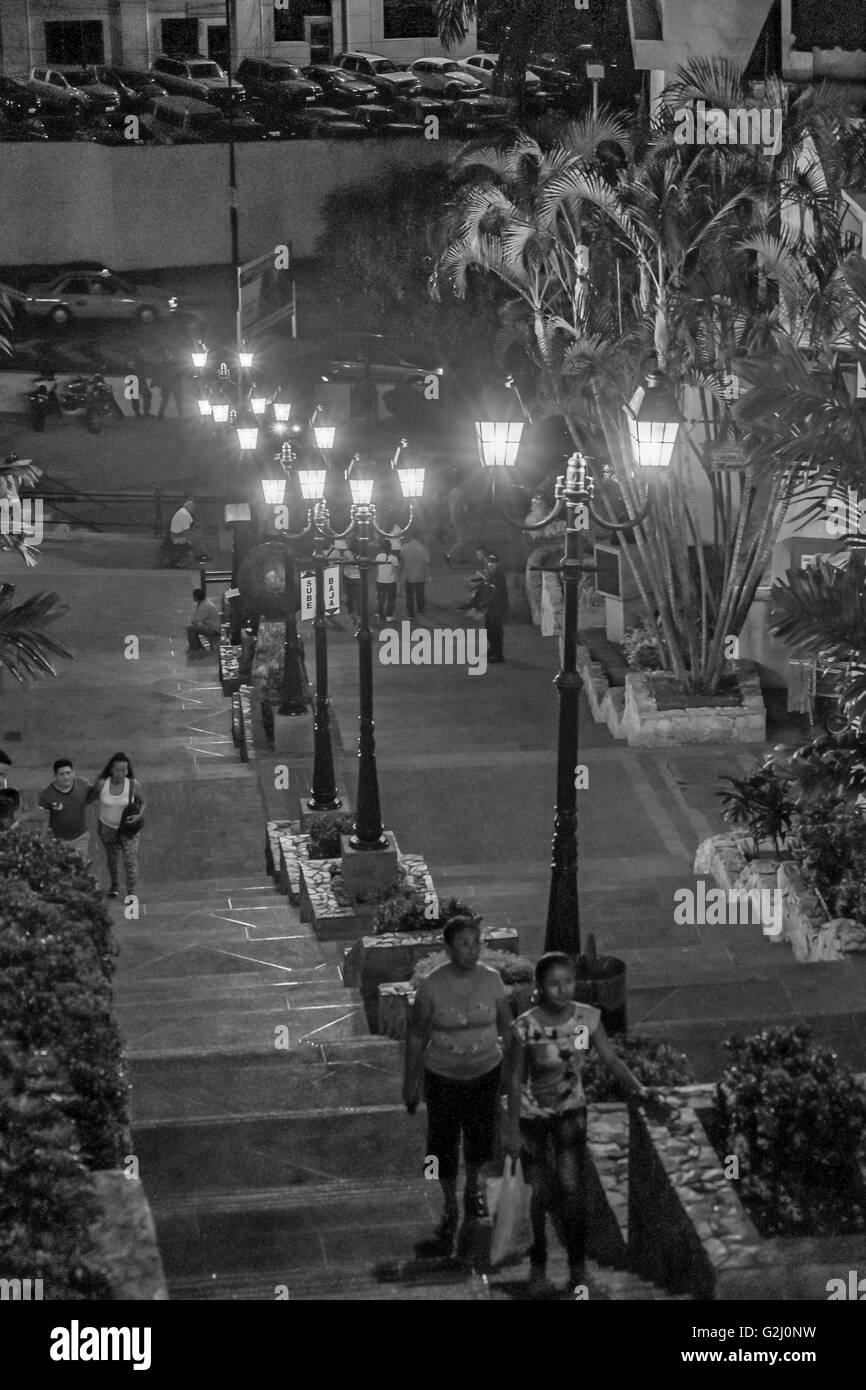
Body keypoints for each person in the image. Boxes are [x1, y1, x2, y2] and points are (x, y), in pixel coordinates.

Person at [505, 952, 651, 1297]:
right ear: (540, 986)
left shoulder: (586, 1018)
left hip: (571, 1113)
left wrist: (638, 1087)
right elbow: (513, 1079)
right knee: (538, 1194)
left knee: (572, 1190)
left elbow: (608, 1057)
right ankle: (538, 1267)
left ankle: (577, 1267)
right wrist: (511, 1128)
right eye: (554, 983)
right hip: (532, 1117)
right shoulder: (525, 1026)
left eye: (568, 982)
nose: (562, 990)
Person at [403, 915, 514, 1257]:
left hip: (485, 1073)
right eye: (464, 944)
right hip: (443, 1077)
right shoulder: (432, 986)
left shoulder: (493, 981)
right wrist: (411, 1080)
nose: (472, 950)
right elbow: (418, 1034)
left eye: (476, 943)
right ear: (448, 948)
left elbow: (507, 1029)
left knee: (481, 1139)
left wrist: (512, 1073)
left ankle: (472, 1191)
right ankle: (449, 1201)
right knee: (442, 1143)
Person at [90, 752, 146, 899]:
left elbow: (144, 801)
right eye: (117, 770)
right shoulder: (102, 784)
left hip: (128, 830)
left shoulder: (134, 785)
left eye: (124, 770)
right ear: (111, 770)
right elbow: (91, 797)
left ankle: (131, 890)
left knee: (129, 858)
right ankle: (114, 885)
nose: (120, 773)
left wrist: (139, 815)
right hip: (107, 828)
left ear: (127, 771)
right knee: (112, 858)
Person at [37, 757, 92, 859]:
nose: (66, 777)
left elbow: (91, 797)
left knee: (81, 868)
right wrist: (43, 837)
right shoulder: (46, 795)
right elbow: (44, 817)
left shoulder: (83, 785)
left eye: (68, 773)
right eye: (61, 774)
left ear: (73, 773)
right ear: (55, 776)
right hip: (58, 841)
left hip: (81, 837)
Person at [482, 553, 509, 663]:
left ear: (498, 563)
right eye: (489, 562)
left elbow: (495, 592)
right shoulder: (491, 573)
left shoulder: (498, 575)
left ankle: (498, 655)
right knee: (489, 629)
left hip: (497, 607)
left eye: (493, 562)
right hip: (491, 607)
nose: (491, 564)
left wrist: (485, 601)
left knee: (496, 631)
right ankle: (492, 650)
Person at [400, 533, 431, 621]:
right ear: (420, 536)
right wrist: (428, 575)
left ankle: (410, 614)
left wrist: (399, 571)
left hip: (409, 575)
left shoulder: (405, 547)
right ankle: (420, 609)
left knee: (409, 595)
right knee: (420, 593)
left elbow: (402, 561)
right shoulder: (423, 548)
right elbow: (426, 564)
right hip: (420, 575)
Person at [169, 497, 208, 565]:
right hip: (178, 536)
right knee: (196, 539)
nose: (193, 509)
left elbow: (192, 523)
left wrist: (200, 528)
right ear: (188, 507)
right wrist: (194, 536)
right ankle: (201, 556)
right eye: (192, 507)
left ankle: (201, 556)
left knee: (197, 536)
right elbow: (187, 530)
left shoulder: (184, 512)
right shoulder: (184, 514)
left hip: (179, 534)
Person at [187, 586, 221, 655]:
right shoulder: (204, 602)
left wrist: (191, 624)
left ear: (196, 597)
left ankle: (196, 647)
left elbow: (196, 620)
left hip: (213, 629)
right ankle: (196, 646)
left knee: (190, 628)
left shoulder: (204, 605)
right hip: (211, 626)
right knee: (192, 628)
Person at [373, 538, 399, 625]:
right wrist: (397, 582)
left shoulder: (378, 556)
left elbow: (376, 569)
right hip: (391, 581)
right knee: (391, 599)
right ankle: (389, 616)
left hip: (380, 581)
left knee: (380, 599)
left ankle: (380, 614)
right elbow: (395, 571)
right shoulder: (394, 558)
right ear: (390, 548)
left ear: (382, 547)